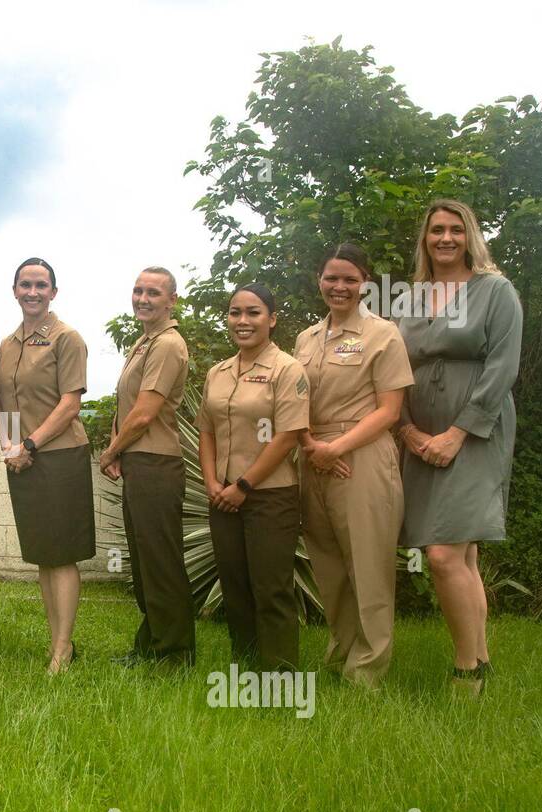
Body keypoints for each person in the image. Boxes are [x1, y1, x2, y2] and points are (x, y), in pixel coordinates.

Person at [396, 199, 522, 696]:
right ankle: (483, 657)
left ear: (469, 236)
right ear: (425, 240)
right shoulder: (409, 297)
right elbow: (393, 370)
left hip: (477, 432)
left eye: (454, 230)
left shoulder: (495, 291)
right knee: (462, 554)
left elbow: (502, 367)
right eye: (435, 231)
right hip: (419, 432)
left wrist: (458, 433)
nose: (444, 238)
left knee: (445, 553)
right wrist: (407, 431)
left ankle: (466, 669)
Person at [294, 245, 413, 687]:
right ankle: (341, 649)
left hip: (361, 455)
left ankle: (367, 670)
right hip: (313, 456)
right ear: (318, 280)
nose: (339, 287)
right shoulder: (305, 338)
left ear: (364, 283)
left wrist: (337, 448)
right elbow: (294, 400)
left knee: (368, 564)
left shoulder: (383, 334)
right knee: (328, 564)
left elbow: (390, 410)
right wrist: (311, 445)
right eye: (331, 278)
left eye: (349, 279)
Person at [198, 283, 310, 671]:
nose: (242, 321)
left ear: (272, 319)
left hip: (269, 495)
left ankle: (280, 676)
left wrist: (243, 486)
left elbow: (288, 436)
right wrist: (212, 481)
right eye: (235, 312)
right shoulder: (218, 372)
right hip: (222, 496)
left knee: (271, 588)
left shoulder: (287, 369)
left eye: (253, 312)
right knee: (235, 586)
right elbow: (207, 431)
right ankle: (245, 668)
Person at [0, 257, 95, 674]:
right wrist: (9, 447)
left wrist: (31, 443)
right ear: (14, 291)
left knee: (62, 554)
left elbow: (70, 403)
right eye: (25, 284)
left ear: (53, 291)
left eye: (41, 284)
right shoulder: (7, 343)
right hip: (21, 459)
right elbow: (1, 403)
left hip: (59, 456)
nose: (32, 291)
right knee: (42, 555)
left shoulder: (67, 338)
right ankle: (57, 644)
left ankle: (63, 646)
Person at [99, 267, 196, 667]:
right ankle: (152, 643)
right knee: (144, 562)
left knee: (159, 561)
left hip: (156, 463)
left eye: (153, 292)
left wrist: (109, 453)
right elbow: (127, 409)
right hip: (140, 460)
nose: (142, 298)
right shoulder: (144, 342)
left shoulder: (168, 344)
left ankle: (174, 654)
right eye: (137, 290)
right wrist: (117, 445)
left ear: (172, 300)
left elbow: (144, 414)